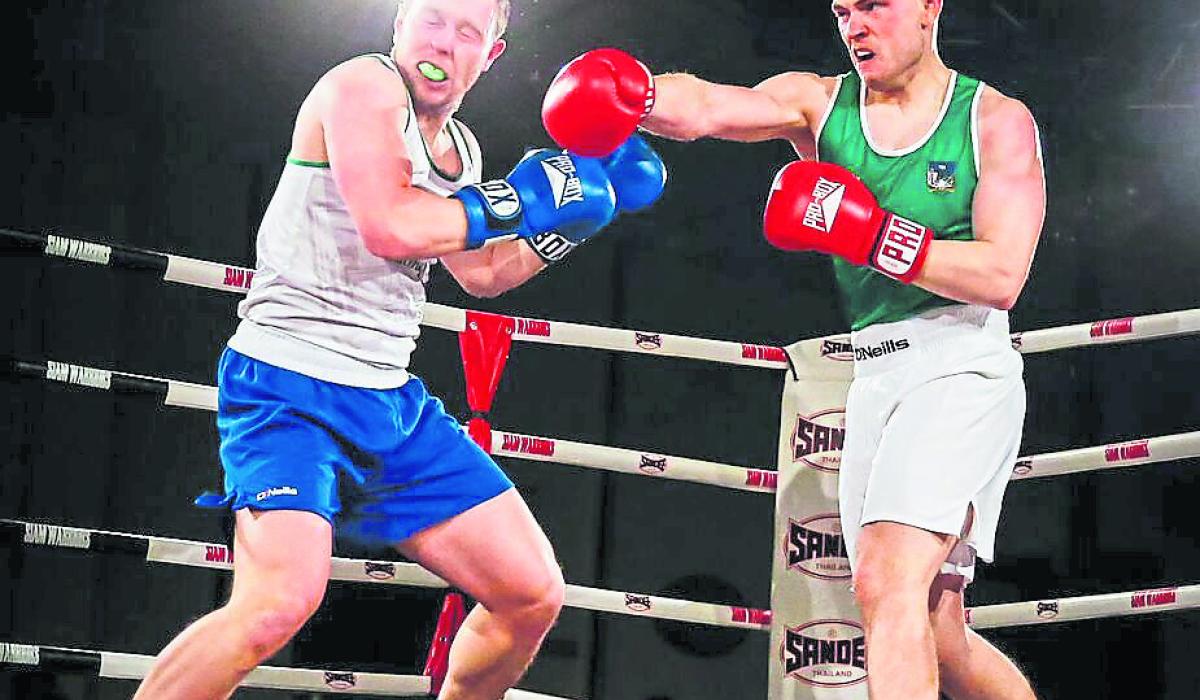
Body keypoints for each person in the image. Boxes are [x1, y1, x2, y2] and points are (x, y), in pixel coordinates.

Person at [132, 1, 665, 698]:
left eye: (468, 31)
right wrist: (524, 201)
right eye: (433, 18)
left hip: (388, 400)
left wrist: (573, 219)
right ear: (400, 23)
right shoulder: (361, 87)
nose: (445, 40)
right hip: (288, 386)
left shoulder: (462, 149)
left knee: (530, 594)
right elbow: (389, 224)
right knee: (275, 605)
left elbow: (485, 273)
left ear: (490, 56)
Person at [541, 0, 1044, 698]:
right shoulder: (818, 104)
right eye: (843, 11)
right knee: (935, 628)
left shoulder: (994, 120)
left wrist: (873, 236)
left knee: (886, 580)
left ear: (930, 5)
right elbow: (713, 107)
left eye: (874, 5)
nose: (856, 25)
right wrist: (640, 95)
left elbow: (1003, 274)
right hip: (873, 372)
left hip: (960, 363)